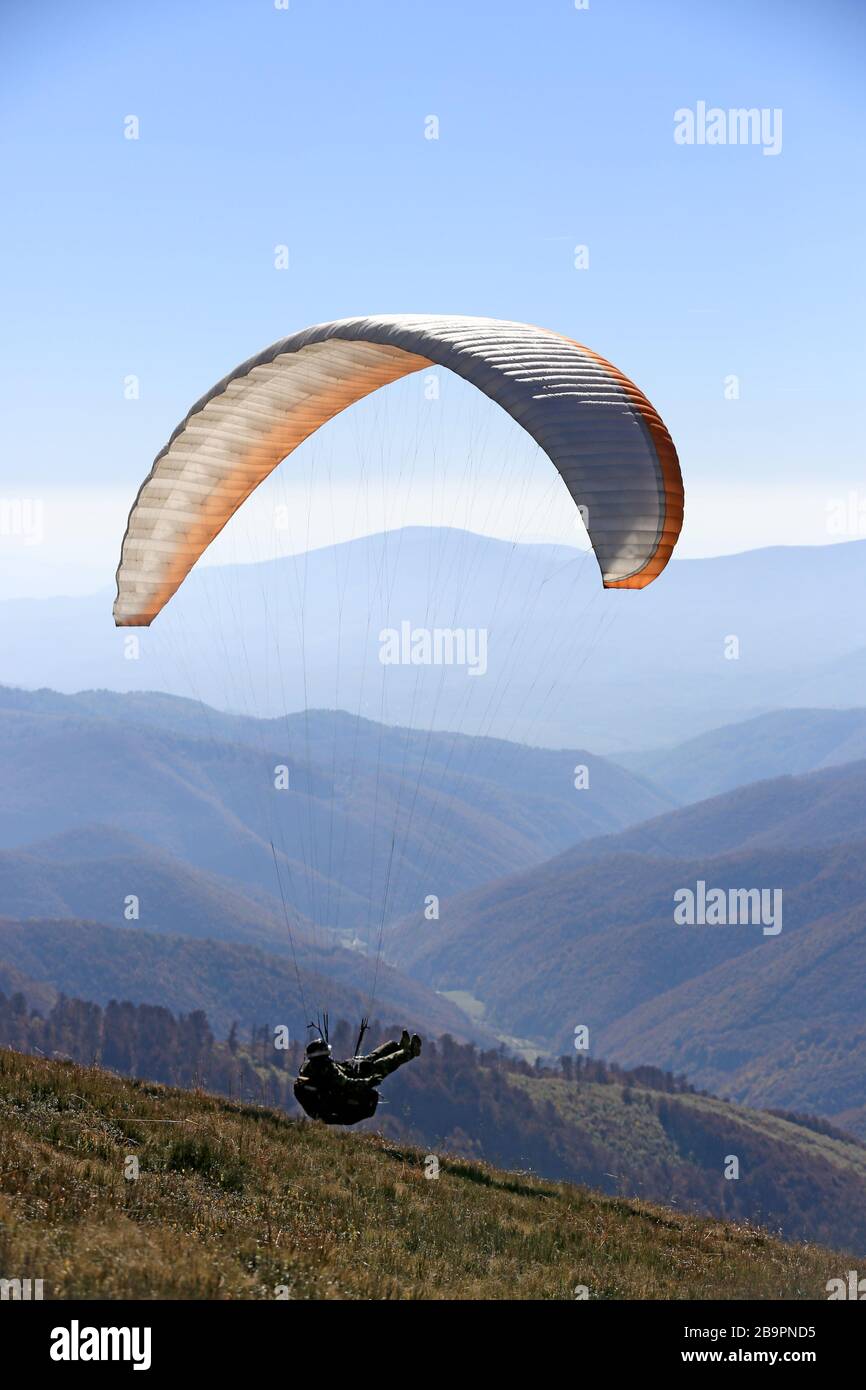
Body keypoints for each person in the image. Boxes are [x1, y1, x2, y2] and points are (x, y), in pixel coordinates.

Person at [294, 1029, 422, 1126]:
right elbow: (347, 1083)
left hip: (342, 1078)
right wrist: (369, 1082)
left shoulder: (311, 1066)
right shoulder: (326, 1069)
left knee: (366, 1060)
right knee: (377, 1066)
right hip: (345, 1091)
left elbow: (336, 1073)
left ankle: (398, 1047)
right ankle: (410, 1052)